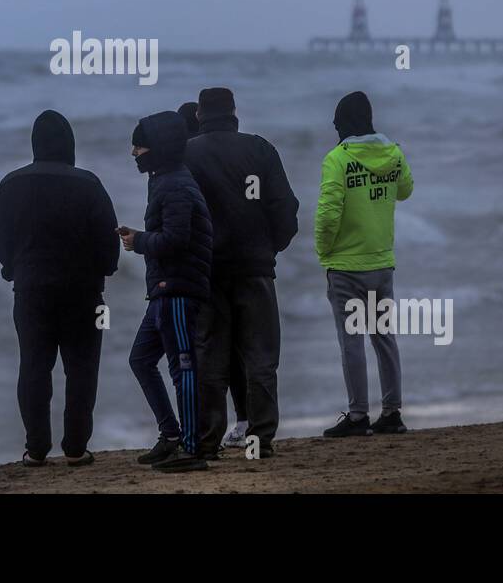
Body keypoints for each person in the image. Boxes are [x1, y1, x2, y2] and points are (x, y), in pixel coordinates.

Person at [0, 110, 120, 466]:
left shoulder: (11, 184)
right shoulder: (89, 184)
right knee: (81, 368)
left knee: (33, 366)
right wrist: (105, 270)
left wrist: (13, 267)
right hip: (84, 293)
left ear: (35, 144)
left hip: (31, 290)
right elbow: (108, 241)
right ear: (70, 145)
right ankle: (76, 447)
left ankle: (36, 449)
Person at [185, 87, 299, 458]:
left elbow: (175, 210)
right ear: (234, 112)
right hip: (254, 267)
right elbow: (284, 206)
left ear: (200, 115)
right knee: (260, 356)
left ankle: (208, 441)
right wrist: (271, 247)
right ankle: (259, 439)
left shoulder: (187, 153)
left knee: (211, 356)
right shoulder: (260, 149)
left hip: (208, 270)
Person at [314, 91, 414, 437]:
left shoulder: (337, 159)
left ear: (342, 124)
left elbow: (328, 212)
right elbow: (406, 190)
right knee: (384, 337)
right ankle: (392, 412)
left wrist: (323, 250)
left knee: (352, 341)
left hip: (345, 265)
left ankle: (358, 416)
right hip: (381, 262)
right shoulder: (393, 153)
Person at [118, 110, 213, 473]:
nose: (133, 153)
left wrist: (138, 241)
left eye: (138, 145)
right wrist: (140, 238)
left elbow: (177, 239)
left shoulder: (175, 184)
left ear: (157, 147)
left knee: (182, 367)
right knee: (140, 360)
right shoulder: (164, 179)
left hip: (177, 289)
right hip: (163, 288)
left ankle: (192, 449)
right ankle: (171, 435)